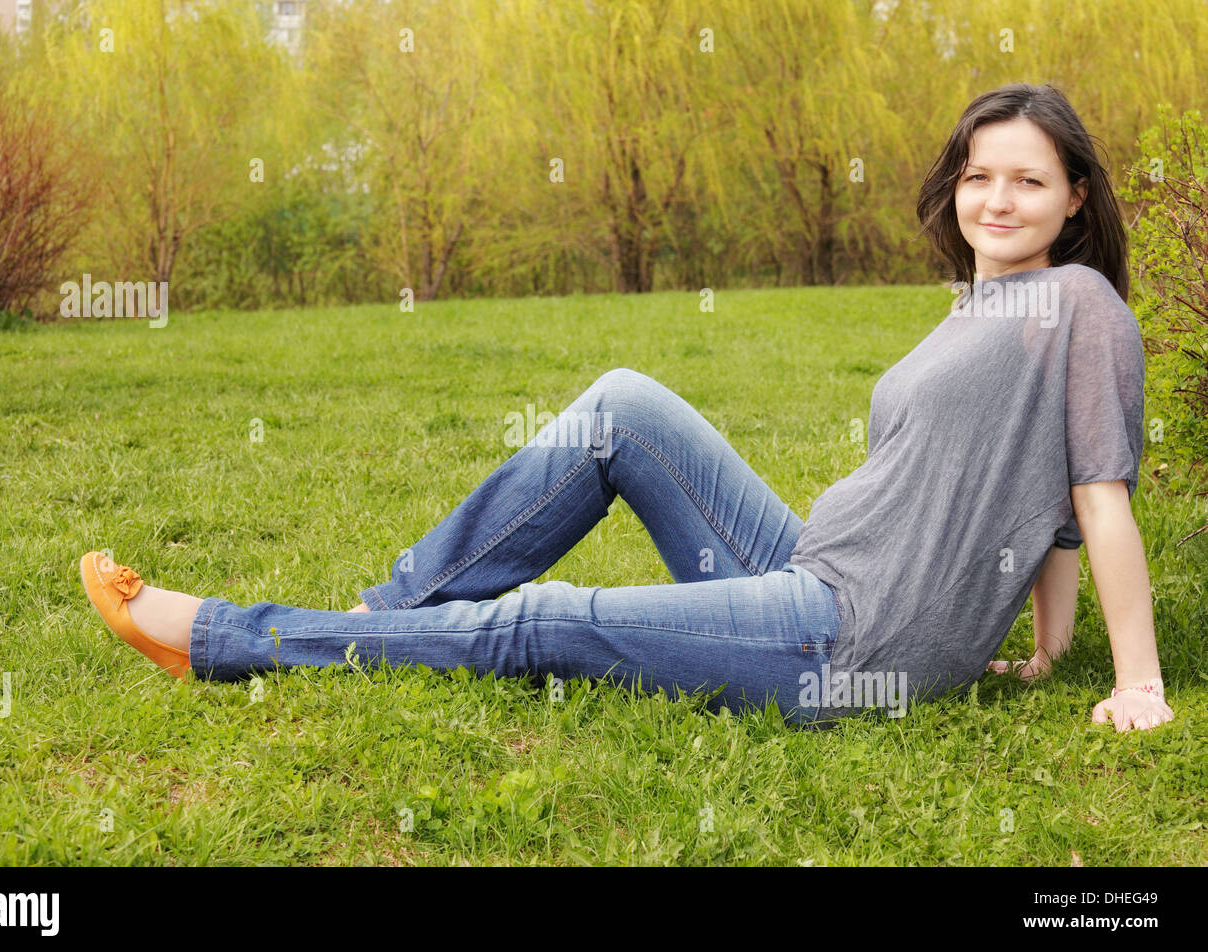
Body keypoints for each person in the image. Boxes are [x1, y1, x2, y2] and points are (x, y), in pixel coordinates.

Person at [80, 82, 1174, 733]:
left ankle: (226, 637)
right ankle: (386, 611)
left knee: (542, 624)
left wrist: (1136, 681)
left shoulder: (1076, 305)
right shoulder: (981, 306)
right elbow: (1045, 516)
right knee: (621, 406)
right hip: (815, 571)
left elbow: (1092, 493)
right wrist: (1045, 646)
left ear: (1076, 196)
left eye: (1028, 181)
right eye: (981, 175)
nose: (997, 198)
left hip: (850, 638)